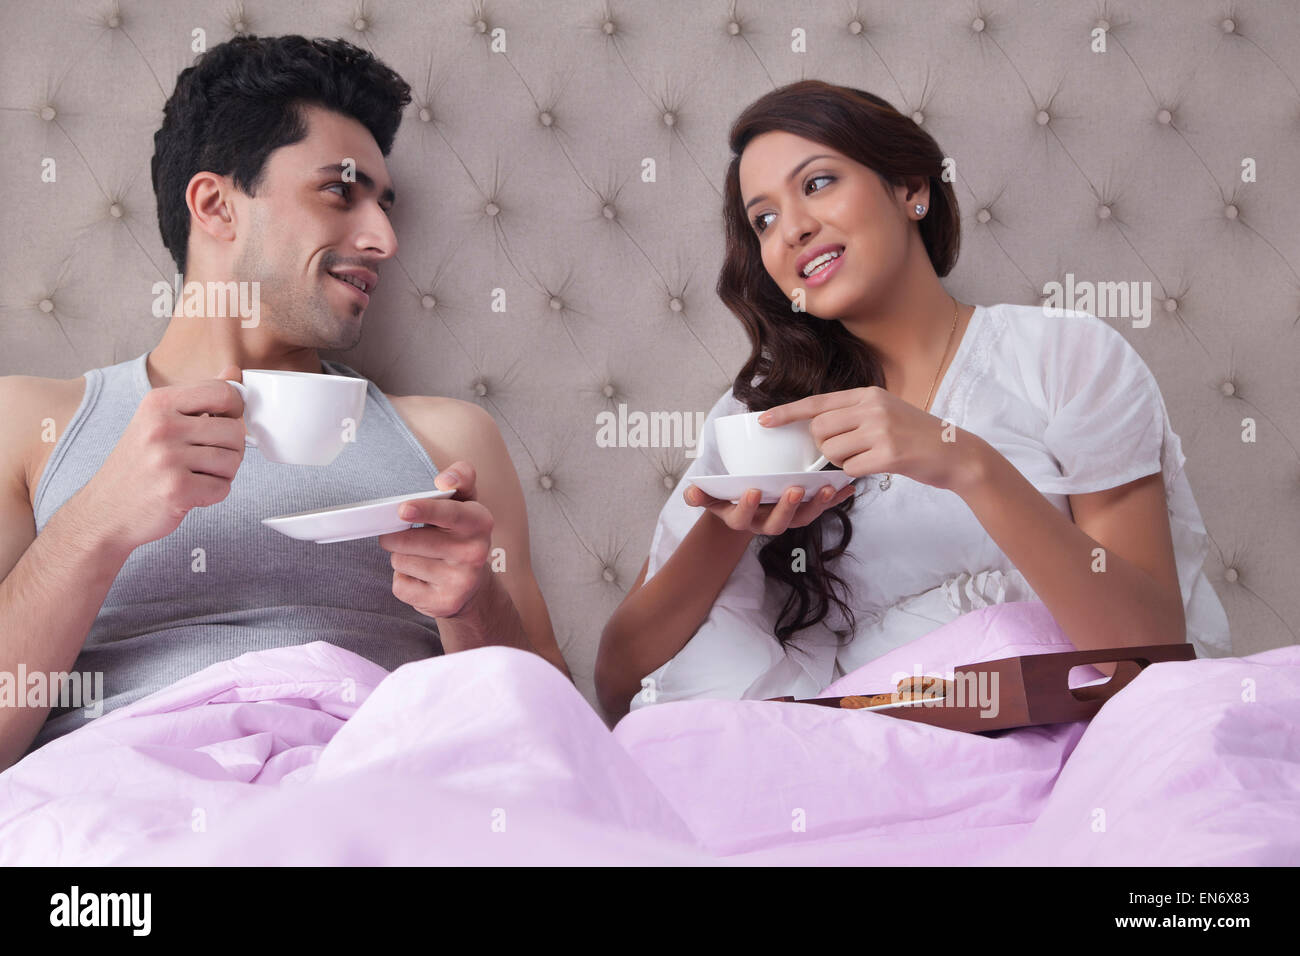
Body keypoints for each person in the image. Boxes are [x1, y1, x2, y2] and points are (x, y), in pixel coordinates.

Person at [0, 35, 569, 770]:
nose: (384, 239)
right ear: (215, 204)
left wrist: (472, 607)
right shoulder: (32, 424)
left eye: (384, 206)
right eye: (340, 191)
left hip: (387, 787)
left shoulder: (449, 440)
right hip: (133, 805)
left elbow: (560, 744)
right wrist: (95, 526)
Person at [595, 80, 1229, 723]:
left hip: (1076, 737)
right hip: (884, 753)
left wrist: (970, 466)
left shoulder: (1067, 356)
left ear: (912, 189)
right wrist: (728, 529)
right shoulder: (762, 417)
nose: (794, 229)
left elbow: (1155, 657)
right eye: (764, 219)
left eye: (816, 184)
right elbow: (619, 683)